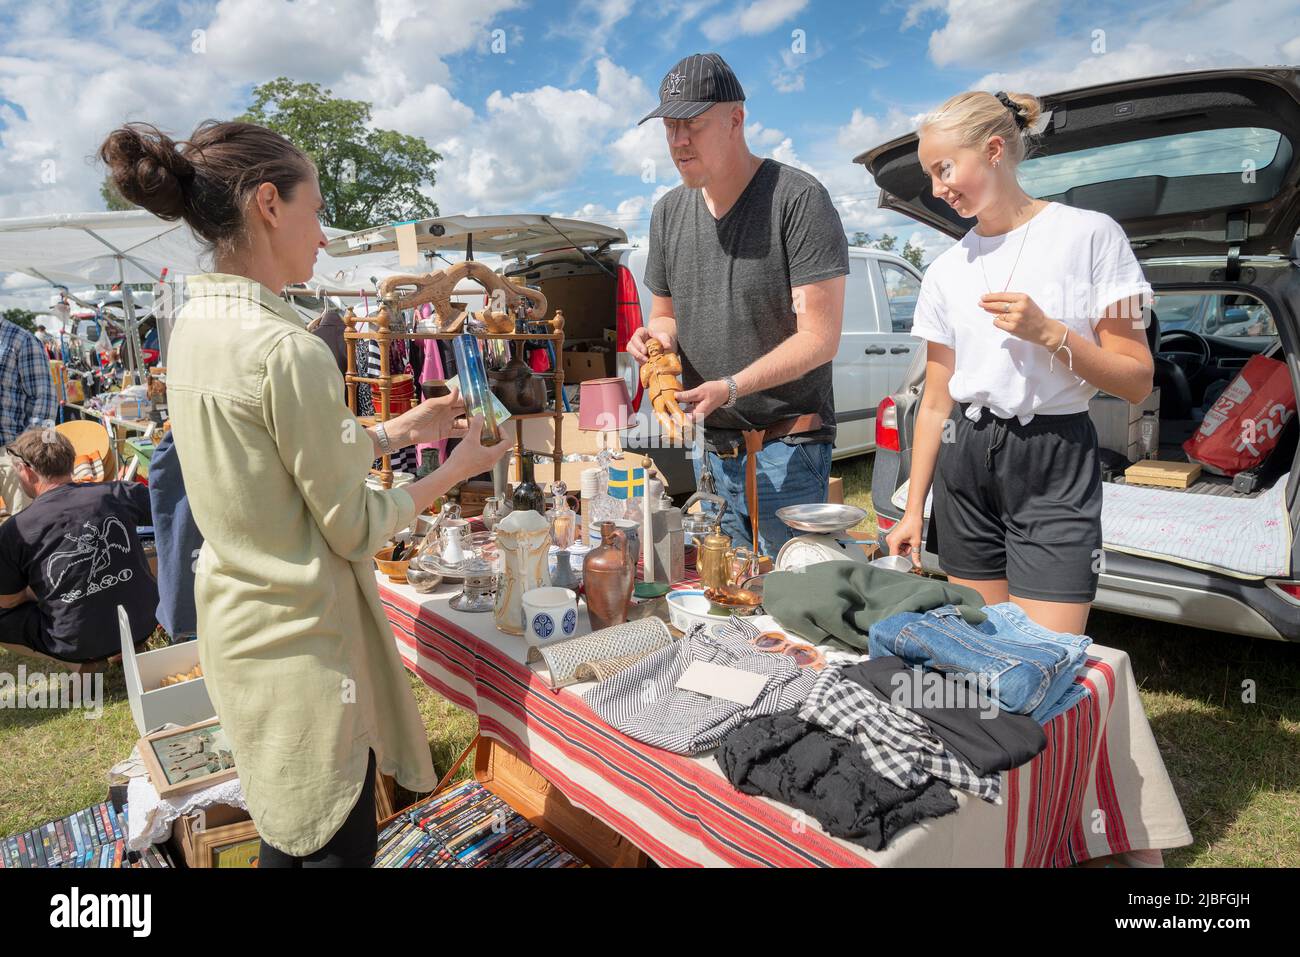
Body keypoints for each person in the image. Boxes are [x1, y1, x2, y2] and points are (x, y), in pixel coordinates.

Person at [99, 120, 513, 867]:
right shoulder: (286, 347)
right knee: (321, 842)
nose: (322, 236)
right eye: (315, 211)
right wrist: (455, 467)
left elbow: (279, 456)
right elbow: (354, 525)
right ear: (267, 204)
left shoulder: (198, 323)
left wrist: (400, 428)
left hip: (238, 630)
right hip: (304, 653)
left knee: (286, 831)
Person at [885, 90, 1155, 636]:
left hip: (1052, 457)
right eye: (930, 177)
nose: (938, 191)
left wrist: (1052, 334)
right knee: (983, 647)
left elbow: (1137, 380)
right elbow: (936, 400)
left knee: (1047, 652)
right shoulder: (943, 271)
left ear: (992, 149)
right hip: (964, 460)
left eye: (944, 169)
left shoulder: (1093, 235)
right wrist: (914, 508)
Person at [628, 52, 848, 560]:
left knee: (789, 601)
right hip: (711, 449)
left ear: (736, 120)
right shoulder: (667, 212)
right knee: (724, 601)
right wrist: (654, 337)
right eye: (670, 126)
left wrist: (730, 387)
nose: (678, 140)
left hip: (787, 447)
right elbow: (665, 317)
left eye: (693, 125)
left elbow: (820, 337)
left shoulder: (797, 198)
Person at [0, 428, 158, 664]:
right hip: (145, 621)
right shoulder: (117, 493)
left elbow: (8, 601)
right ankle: (130, 646)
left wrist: (49, 592)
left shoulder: (15, 530)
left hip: (75, 643)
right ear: (71, 462)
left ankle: (78, 664)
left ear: (27, 471)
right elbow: (170, 513)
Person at [0, 314, 57, 516]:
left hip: (10, 453)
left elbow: (44, 400)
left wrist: (24, 452)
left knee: (26, 528)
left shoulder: (20, 340)